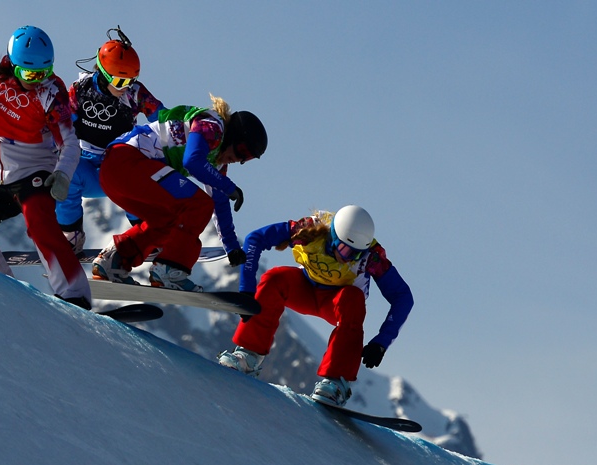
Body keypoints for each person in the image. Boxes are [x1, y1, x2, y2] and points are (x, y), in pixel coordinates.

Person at [217, 205, 414, 407]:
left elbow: (402, 297)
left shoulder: (371, 257)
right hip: (304, 290)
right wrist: (247, 289)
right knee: (274, 277)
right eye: (345, 250)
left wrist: (382, 342)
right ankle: (249, 355)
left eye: (356, 254)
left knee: (353, 299)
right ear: (334, 236)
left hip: (337, 303)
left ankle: (336, 382)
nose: (348, 258)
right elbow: (255, 238)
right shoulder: (312, 228)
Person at [0, 25, 92, 309]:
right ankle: (0, 292)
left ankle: (74, 294)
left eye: (44, 72)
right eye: (29, 74)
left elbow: (70, 142)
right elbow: (2, 108)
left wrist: (63, 175)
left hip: (34, 171)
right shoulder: (4, 75)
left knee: (39, 222)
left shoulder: (52, 94)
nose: (36, 80)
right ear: (13, 65)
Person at [92, 95, 267, 292]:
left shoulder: (217, 161)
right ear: (235, 134)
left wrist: (231, 246)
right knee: (198, 205)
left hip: (117, 174)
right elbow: (192, 161)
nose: (240, 160)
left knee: (168, 220)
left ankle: (115, 259)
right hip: (126, 162)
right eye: (243, 151)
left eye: (248, 159)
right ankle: (171, 269)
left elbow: (220, 202)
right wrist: (228, 186)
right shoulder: (212, 126)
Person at [57, 26, 165, 253]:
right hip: (88, 169)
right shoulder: (80, 90)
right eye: (119, 82)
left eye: (130, 81)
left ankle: (148, 233)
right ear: (104, 75)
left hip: (118, 166)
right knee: (66, 174)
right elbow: (61, 125)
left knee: (135, 177)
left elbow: (162, 117)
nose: (125, 88)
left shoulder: (134, 93)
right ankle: (71, 235)